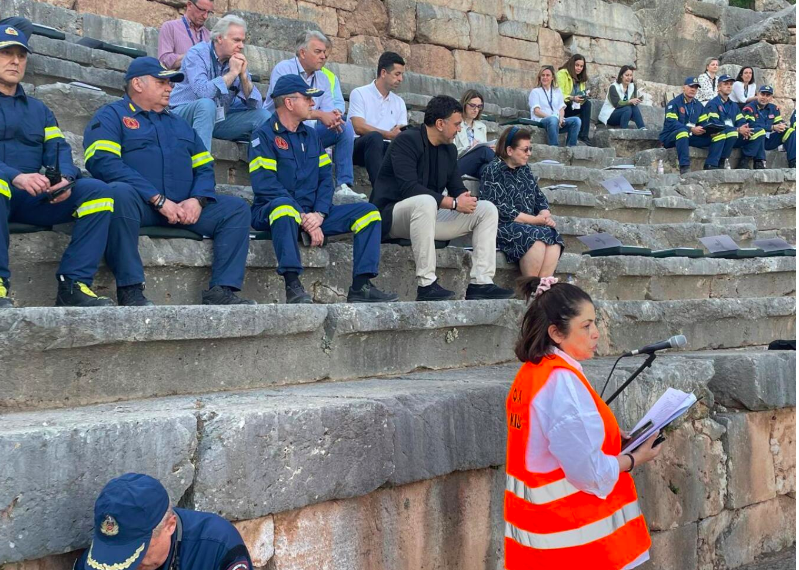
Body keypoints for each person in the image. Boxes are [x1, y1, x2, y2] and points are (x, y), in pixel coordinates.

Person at [504, 277, 662, 569]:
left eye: (595, 324)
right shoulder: (561, 382)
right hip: (576, 545)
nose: (596, 334)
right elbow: (590, 474)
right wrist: (633, 459)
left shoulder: (532, 373)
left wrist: (614, 438)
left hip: (541, 542)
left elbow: (553, 444)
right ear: (556, 333)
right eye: (586, 326)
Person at [84, 57, 254, 306]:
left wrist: (197, 200)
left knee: (236, 209)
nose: (170, 87)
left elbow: (204, 166)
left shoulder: (179, 124)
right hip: (142, 207)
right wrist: (157, 199)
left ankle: (221, 290)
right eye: (161, 81)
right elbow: (103, 162)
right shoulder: (112, 116)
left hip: (185, 210)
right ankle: (130, 289)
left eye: (171, 83)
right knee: (117, 194)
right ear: (137, 84)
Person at [249, 75, 397, 304]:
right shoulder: (264, 135)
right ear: (289, 103)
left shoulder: (311, 136)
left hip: (314, 214)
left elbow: (326, 180)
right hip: (275, 212)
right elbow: (267, 185)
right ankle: (293, 285)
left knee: (369, 212)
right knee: (283, 209)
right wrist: (303, 216)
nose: (312, 104)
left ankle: (361, 286)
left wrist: (319, 214)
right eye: (307, 98)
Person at [0, 25, 117, 308]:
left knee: (99, 192)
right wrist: (16, 177)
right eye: (6, 53)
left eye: (21, 55)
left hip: (32, 197)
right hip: (6, 187)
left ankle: (73, 284)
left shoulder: (39, 110)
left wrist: (64, 177)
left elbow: (58, 149)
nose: (15, 61)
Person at [371, 95, 514, 302]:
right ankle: (426, 284)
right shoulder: (406, 140)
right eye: (456, 124)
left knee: (487, 209)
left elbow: (456, 187)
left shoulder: (449, 149)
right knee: (425, 201)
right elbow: (410, 188)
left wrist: (466, 198)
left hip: (428, 217)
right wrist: (454, 204)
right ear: (440, 124)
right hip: (392, 217)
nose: (459, 129)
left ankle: (481, 282)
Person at [74, 473, 254, 570]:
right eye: (119, 554)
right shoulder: (98, 561)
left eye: (138, 553)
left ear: (170, 525)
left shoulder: (216, 545)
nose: (132, 566)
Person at [265, 31, 362, 200]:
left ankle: (343, 184)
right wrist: (320, 115)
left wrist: (334, 117)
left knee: (344, 126)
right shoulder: (284, 69)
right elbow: (287, 107)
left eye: (324, 52)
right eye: (318, 52)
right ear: (302, 53)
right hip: (281, 131)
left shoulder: (323, 78)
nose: (324, 56)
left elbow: (328, 112)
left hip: (309, 133)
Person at [169, 15, 269, 154]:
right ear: (220, 38)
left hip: (216, 120)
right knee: (206, 105)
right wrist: (233, 73)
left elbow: (256, 106)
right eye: (236, 40)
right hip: (182, 116)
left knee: (264, 116)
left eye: (243, 41)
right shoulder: (197, 54)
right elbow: (203, 92)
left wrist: (244, 77)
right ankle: (202, 170)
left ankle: (263, 173)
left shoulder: (234, 60)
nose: (241, 46)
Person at [479, 127, 563, 277]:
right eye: (525, 150)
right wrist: (535, 220)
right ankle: (531, 288)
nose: (529, 153)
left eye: (530, 149)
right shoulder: (492, 170)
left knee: (554, 237)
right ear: (510, 150)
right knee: (535, 239)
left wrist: (545, 214)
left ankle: (541, 289)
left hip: (529, 224)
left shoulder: (525, 170)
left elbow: (538, 196)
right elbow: (501, 209)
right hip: (504, 226)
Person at [347, 51, 407, 191]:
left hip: (386, 149)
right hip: (360, 147)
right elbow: (358, 127)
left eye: (402, 75)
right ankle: (380, 191)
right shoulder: (360, 93)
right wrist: (388, 134)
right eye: (397, 74)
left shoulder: (399, 102)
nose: (401, 79)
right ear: (384, 72)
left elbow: (400, 131)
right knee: (374, 138)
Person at [698, 74, 764, 170]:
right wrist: (737, 129)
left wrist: (744, 129)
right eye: (725, 84)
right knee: (732, 133)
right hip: (725, 136)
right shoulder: (712, 104)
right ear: (719, 87)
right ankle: (722, 160)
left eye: (730, 84)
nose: (729, 86)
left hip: (736, 136)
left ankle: (745, 160)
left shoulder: (734, 105)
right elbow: (716, 125)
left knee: (759, 131)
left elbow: (741, 120)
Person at [659, 77, 711, 175]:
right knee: (682, 132)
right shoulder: (674, 103)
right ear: (684, 88)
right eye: (691, 86)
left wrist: (709, 130)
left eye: (696, 87)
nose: (693, 89)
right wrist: (691, 129)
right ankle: (684, 167)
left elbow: (703, 123)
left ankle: (712, 165)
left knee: (716, 136)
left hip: (689, 136)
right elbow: (672, 123)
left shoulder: (698, 105)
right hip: (670, 137)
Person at [528, 66, 580, 147]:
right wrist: (554, 118)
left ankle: (571, 147)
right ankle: (554, 146)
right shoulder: (535, 92)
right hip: (541, 120)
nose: (545, 77)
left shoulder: (557, 91)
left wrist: (561, 118)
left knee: (576, 121)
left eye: (547, 75)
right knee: (552, 120)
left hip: (556, 120)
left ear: (552, 77)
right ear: (540, 77)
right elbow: (537, 112)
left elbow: (561, 108)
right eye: (543, 75)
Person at [158, 0, 214, 71]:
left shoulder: (209, 35)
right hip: (178, 80)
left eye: (209, 12)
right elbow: (164, 61)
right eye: (202, 10)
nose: (205, 16)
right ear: (189, 5)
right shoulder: (170, 27)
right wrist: (194, 55)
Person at [740, 85, 784, 170]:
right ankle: (757, 161)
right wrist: (772, 127)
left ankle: (794, 161)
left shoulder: (774, 108)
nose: (764, 97)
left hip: (768, 141)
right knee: (760, 131)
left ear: (771, 97)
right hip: (752, 139)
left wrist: (782, 125)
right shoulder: (749, 108)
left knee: (790, 131)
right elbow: (751, 125)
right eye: (762, 94)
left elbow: (779, 121)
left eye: (768, 95)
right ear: (757, 94)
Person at [454, 89, 495, 179]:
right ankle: (511, 171)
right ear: (464, 104)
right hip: (458, 165)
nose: (476, 110)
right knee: (483, 151)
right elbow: (451, 152)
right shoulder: (455, 123)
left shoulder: (481, 127)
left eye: (479, 106)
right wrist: (470, 148)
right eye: (472, 105)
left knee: (488, 169)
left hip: (475, 166)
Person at [556, 54, 592, 145]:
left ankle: (583, 136)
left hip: (573, 105)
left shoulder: (581, 78)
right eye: (577, 65)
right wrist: (572, 98)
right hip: (561, 107)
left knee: (587, 104)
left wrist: (584, 96)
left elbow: (579, 94)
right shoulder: (562, 73)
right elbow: (558, 94)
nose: (579, 68)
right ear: (572, 64)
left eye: (581, 66)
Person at [598, 65, 646, 130]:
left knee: (633, 107)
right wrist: (630, 101)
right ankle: (624, 130)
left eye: (630, 75)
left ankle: (642, 128)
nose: (629, 78)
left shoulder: (632, 86)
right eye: (627, 75)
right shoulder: (613, 87)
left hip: (625, 114)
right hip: (610, 115)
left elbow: (632, 102)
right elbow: (617, 104)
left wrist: (636, 101)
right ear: (621, 76)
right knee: (627, 108)